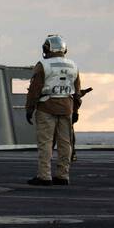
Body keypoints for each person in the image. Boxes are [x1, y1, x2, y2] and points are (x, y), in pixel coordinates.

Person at [25, 34, 82, 186]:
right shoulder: (73, 66)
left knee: (46, 143)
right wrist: (75, 111)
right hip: (67, 107)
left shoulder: (43, 65)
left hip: (46, 107)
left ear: (47, 48)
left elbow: (34, 89)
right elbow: (77, 92)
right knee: (65, 144)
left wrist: (29, 109)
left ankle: (44, 176)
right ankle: (63, 175)